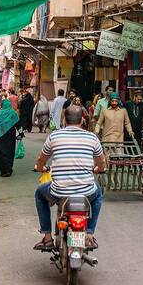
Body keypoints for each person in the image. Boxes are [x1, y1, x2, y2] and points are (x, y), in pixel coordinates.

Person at [33, 105, 106, 251]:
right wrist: (99, 169)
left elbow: (41, 160)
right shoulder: (92, 137)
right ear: (82, 120)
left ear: (64, 120)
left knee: (39, 193)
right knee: (98, 193)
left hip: (59, 192)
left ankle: (47, 237)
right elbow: (102, 162)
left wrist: (41, 168)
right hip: (86, 191)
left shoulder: (54, 136)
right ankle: (89, 234)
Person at [0, 91, 21, 177]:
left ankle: (3, 170)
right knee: (10, 152)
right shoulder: (13, 113)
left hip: (1, 136)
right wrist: (20, 133)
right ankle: (9, 169)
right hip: (11, 136)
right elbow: (18, 124)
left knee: (1, 152)